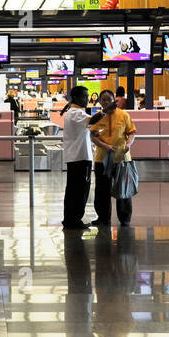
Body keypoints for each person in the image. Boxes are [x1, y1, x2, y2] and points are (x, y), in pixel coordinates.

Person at [90, 89, 135, 226]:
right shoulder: (98, 116)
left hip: (121, 158)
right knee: (102, 190)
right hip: (102, 158)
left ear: (113, 100)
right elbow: (93, 136)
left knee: (123, 189)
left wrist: (128, 144)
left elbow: (132, 133)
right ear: (99, 102)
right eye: (103, 100)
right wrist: (104, 146)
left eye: (108, 99)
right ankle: (103, 218)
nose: (106, 102)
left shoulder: (123, 115)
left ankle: (125, 218)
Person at [60, 86, 97, 230]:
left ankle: (70, 219)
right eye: (84, 96)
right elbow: (93, 120)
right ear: (75, 98)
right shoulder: (76, 113)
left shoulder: (73, 112)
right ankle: (75, 220)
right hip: (81, 157)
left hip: (75, 157)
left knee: (73, 190)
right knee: (81, 191)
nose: (87, 99)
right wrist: (107, 110)